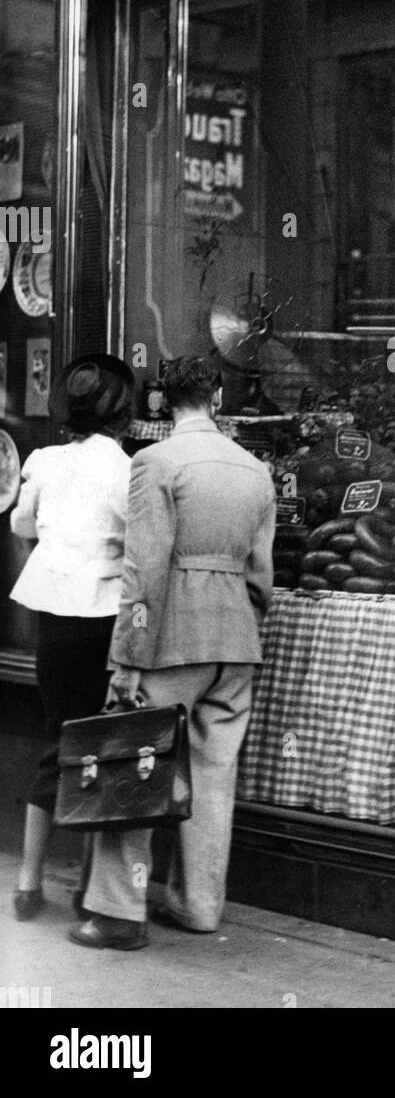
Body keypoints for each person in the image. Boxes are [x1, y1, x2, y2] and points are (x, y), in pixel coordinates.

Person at [70, 355, 276, 950]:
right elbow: (261, 575)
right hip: (235, 638)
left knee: (133, 766)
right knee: (215, 777)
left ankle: (117, 912)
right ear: (217, 396)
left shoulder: (155, 462)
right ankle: (200, 906)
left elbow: (145, 569)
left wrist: (129, 656)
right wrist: (242, 618)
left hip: (167, 639)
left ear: (164, 399)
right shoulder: (254, 468)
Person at [10, 353, 134, 921]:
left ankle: (29, 882)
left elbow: (20, 525)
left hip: (53, 611)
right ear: (124, 414)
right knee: (100, 747)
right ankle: (91, 890)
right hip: (104, 614)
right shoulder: (128, 467)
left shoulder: (45, 459)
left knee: (55, 738)